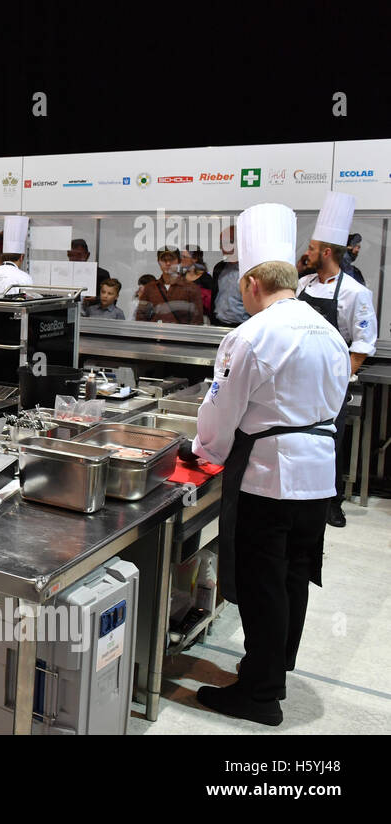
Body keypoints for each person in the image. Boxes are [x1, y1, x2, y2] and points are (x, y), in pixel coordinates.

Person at [192, 202, 349, 727]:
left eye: (241, 280)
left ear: (254, 281)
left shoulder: (251, 335)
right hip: (319, 476)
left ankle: (260, 696)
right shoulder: (326, 331)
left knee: (263, 582)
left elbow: (220, 409)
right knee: (294, 579)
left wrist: (206, 454)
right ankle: (274, 668)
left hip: (270, 478)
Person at [296, 192, 376, 528]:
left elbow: (361, 345)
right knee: (300, 440)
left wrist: (338, 379)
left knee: (331, 443)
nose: (307, 253)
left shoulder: (355, 292)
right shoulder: (302, 284)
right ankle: (299, 495)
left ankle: (332, 502)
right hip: (298, 380)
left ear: (326, 252)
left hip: (330, 381)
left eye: (312, 249)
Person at [134, 246, 204, 324]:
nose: (168, 263)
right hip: (155, 334)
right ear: (158, 261)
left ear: (179, 261)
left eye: (172, 259)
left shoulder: (191, 288)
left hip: (181, 335)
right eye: (164, 260)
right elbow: (140, 319)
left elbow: (197, 321)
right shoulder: (149, 288)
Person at [212, 225, 248, 326]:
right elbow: (215, 296)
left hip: (242, 326)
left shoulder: (251, 269)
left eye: (224, 243)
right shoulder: (219, 267)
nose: (221, 247)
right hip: (218, 323)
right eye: (221, 243)